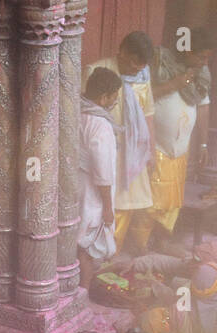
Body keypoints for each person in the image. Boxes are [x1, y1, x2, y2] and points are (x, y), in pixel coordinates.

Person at [87, 32, 156, 256]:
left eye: (141, 65)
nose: (136, 68)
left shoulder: (143, 76)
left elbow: (148, 113)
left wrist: (151, 150)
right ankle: (102, 255)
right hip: (102, 149)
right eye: (133, 62)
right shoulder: (96, 71)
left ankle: (121, 252)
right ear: (122, 52)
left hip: (133, 150)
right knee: (104, 204)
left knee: (133, 203)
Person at [147, 27, 214, 238]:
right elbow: (142, 98)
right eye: (201, 56)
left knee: (172, 200)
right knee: (151, 198)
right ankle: (141, 243)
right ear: (188, 51)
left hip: (180, 151)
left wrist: (203, 144)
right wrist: (174, 84)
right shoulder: (160, 65)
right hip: (154, 147)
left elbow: (203, 107)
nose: (205, 62)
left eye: (207, 57)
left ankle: (162, 241)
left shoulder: (201, 75)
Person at [79, 68, 123, 268]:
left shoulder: (75, 113)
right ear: (104, 98)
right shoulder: (100, 125)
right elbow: (103, 173)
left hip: (73, 188)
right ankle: (83, 293)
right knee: (87, 249)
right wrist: (107, 208)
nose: (115, 103)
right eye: (114, 98)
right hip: (92, 195)